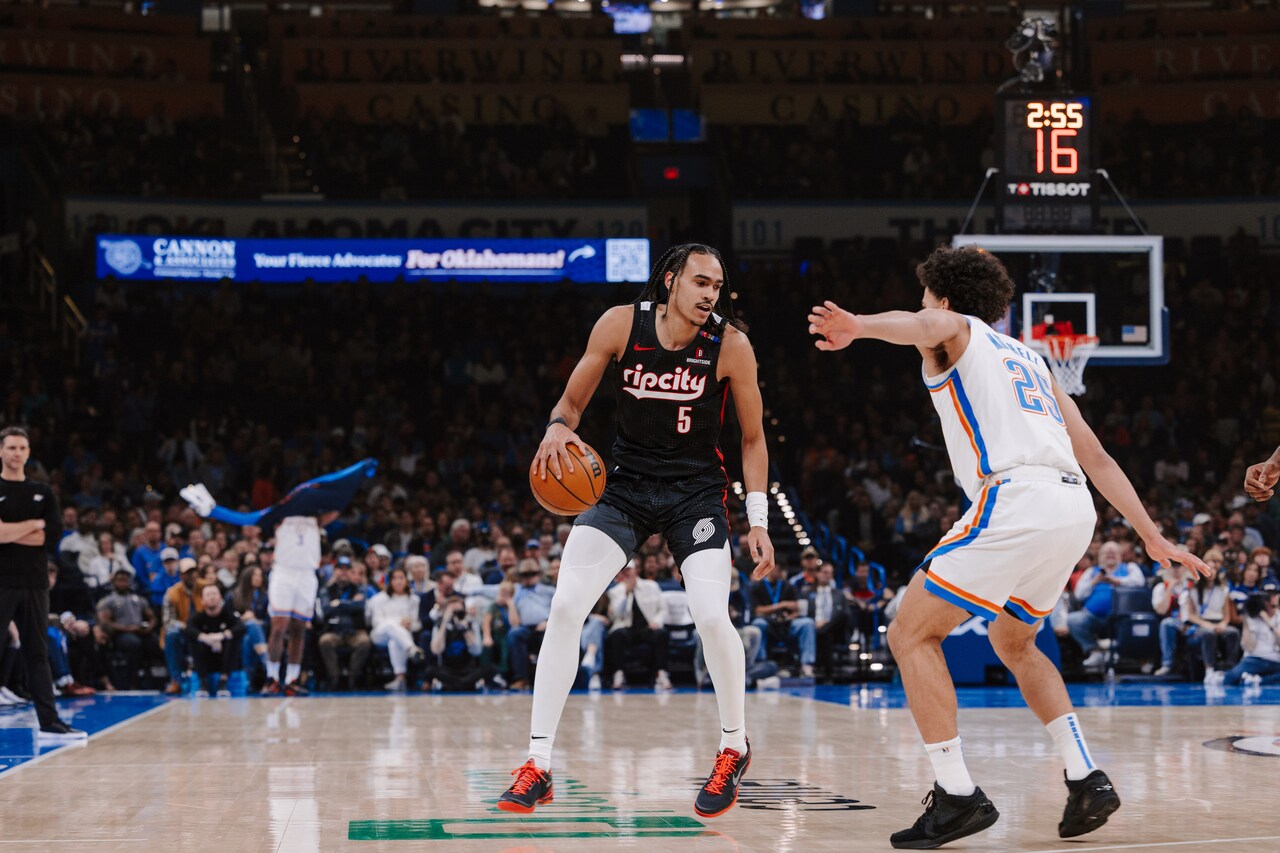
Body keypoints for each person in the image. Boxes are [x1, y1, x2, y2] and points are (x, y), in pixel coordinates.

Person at [807, 245, 1209, 847]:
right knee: (1014, 639)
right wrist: (1150, 535)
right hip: (1074, 507)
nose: (925, 311)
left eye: (928, 300)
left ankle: (957, 796)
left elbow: (923, 326)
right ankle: (1085, 777)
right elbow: (1094, 455)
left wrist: (858, 327)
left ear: (944, 298)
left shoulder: (955, 327)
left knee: (910, 634)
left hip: (1016, 498)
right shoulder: (1033, 359)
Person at [499, 244, 775, 820]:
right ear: (671, 280)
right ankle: (537, 763)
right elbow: (572, 403)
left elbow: (752, 439)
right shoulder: (622, 323)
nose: (709, 295)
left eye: (718, 287)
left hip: (695, 491)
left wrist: (757, 520)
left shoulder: (732, 345)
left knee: (709, 613)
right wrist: (555, 429)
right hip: (622, 486)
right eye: (700, 282)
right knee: (567, 604)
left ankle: (733, 745)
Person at [182, 458, 378, 696]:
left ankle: (292, 679)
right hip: (284, 573)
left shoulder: (317, 519)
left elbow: (338, 504)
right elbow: (247, 519)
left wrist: (354, 476)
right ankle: (272, 678)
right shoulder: (278, 516)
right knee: (278, 627)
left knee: (298, 629)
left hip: (307, 575)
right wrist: (214, 511)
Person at [0, 426, 86, 740]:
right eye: (11, 447)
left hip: (35, 584)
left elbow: (50, 536)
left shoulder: (43, 492)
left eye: (22, 447)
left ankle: (50, 723)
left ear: (28, 452)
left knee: (37, 653)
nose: (16, 453)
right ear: (1, 451)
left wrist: (14, 531)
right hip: (2, 583)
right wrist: (32, 526)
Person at [366, 565, 424, 691]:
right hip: (380, 635)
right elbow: (377, 622)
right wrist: (399, 622)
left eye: (401, 578)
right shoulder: (378, 599)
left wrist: (410, 625)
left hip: (402, 636)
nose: (398, 581)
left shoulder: (414, 600)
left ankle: (400, 678)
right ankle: (412, 649)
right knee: (391, 626)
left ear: (406, 580)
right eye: (394, 578)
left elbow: (417, 624)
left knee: (395, 641)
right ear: (390, 581)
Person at [185, 583, 244, 697]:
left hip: (225, 658)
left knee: (234, 638)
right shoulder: (198, 617)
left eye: (214, 594)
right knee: (194, 639)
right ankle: (203, 682)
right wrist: (206, 638)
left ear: (220, 597)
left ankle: (223, 681)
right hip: (204, 658)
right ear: (202, 600)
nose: (212, 597)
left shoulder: (228, 615)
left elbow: (240, 627)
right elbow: (188, 628)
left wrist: (222, 636)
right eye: (208, 594)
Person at [1224, 580, 1280, 686]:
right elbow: (1248, 646)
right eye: (1267, 596)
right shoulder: (1251, 616)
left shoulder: (1278, 616)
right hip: (1254, 658)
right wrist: (1246, 622)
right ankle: (1259, 679)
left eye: (1274, 595)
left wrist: (1268, 621)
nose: (1270, 599)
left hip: (1275, 659)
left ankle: (1258, 680)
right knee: (1230, 678)